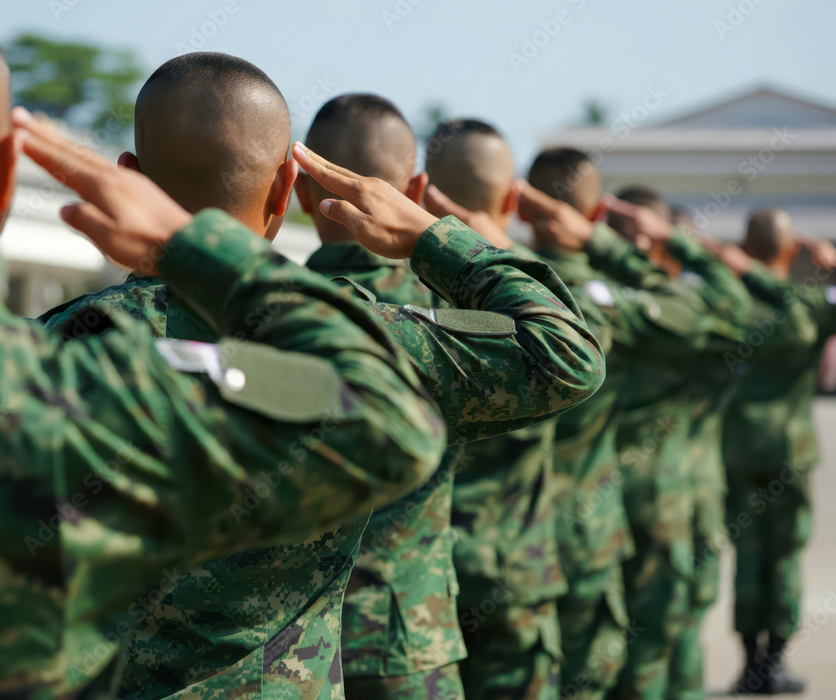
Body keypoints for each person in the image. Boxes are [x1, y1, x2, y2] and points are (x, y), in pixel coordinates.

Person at [0, 4, 452, 696]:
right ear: (2, 175)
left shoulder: (70, 346)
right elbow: (391, 419)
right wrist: (203, 251)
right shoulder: (79, 394)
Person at [40, 63, 606, 698]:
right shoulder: (360, 341)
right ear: (288, 189)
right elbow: (564, 355)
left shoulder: (48, 349)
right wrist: (431, 237)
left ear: (130, 182)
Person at [298, 93, 465, 699]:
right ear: (413, 190)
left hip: (283, 653)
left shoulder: (256, 309)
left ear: (297, 192)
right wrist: (446, 244)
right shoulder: (451, 320)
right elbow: (566, 345)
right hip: (405, 635)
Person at [424, 120, 567, 700]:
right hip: (515, 568)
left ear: (421, 190)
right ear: (512, 199)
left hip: (418, 585)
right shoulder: (555, 301)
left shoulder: (376, 298)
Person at [604, 186, 754, 700]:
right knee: (674, 630)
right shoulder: (696, 313)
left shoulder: (586, 302)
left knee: (615, 639)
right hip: (681, 494)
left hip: (604, 499)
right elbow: (741, 309)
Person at [724, 208, 836, 695]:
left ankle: (748, 663)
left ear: (745, 249)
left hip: (736, 448)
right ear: (790, 251)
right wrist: (830, 263)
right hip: (790, 449)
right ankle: (775, 664)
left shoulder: (726, 302)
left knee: (748, 552)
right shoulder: (809, 308)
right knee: (785, 553)